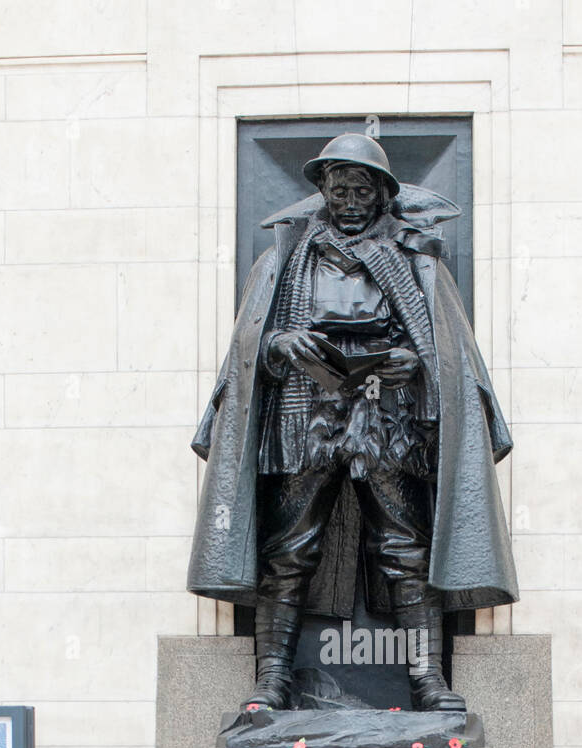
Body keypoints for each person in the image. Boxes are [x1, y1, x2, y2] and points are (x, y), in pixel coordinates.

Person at [187, 133, 518, 712]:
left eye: (362, 189)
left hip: (385, 417)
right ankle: (271, 681)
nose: (349, 200)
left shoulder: (415, 264)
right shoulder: (285, 261)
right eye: (338, 188)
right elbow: (249, 352)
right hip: (303, 415)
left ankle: (426, 680)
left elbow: (443, 351)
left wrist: (412, 362)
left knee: (406, 547)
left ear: (383, 196)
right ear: (322, 192)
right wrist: (282, 345)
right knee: (288, 549)